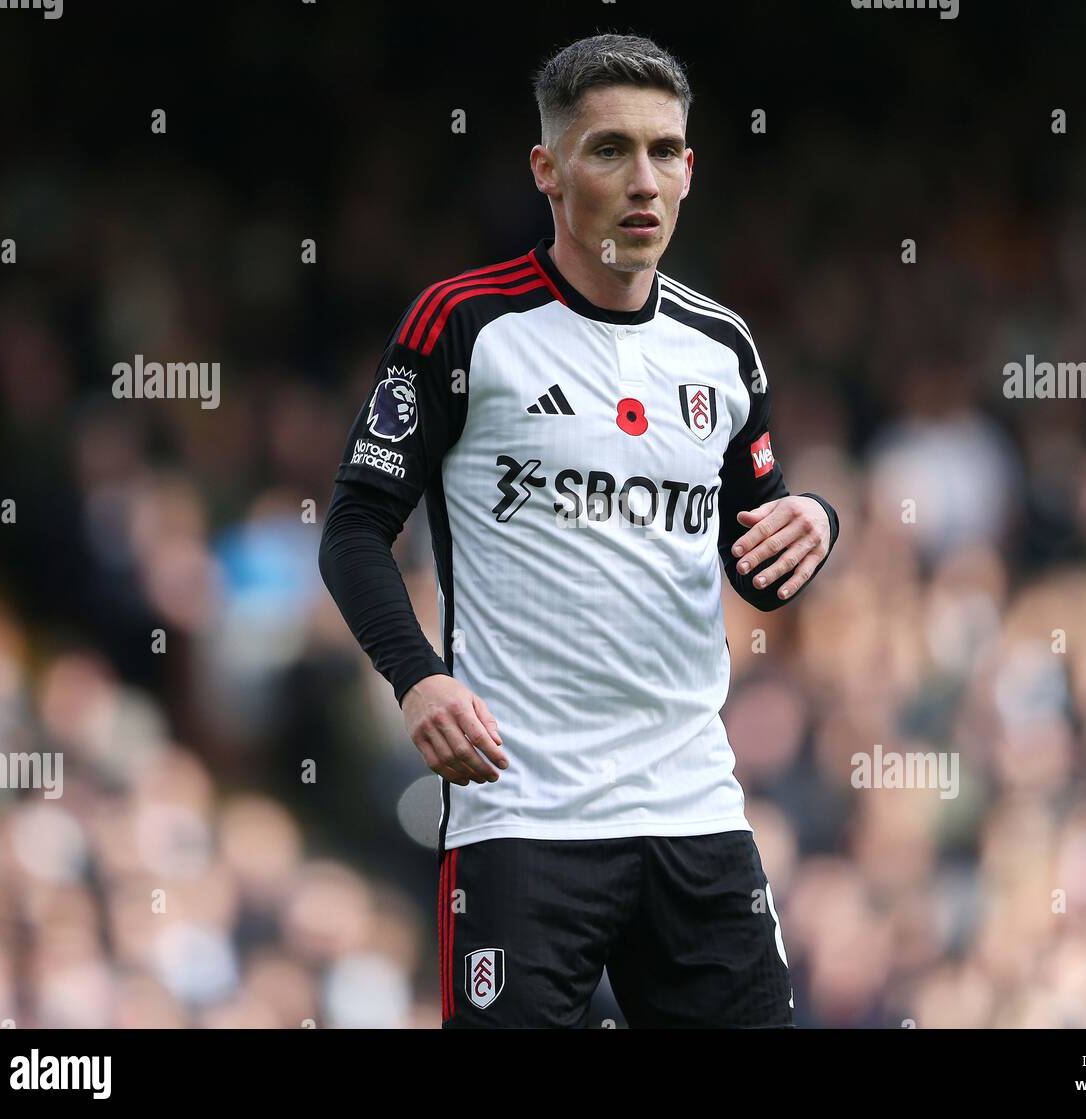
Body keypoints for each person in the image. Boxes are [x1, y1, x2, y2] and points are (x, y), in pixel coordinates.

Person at [319, 32, 839, 1028]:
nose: (644, 181)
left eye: (666, 151)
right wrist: (416, 675)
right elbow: (351, 529)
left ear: (691, 168)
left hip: (693, 807)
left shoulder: (722, 348)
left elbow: (759, 564)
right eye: (609, 150)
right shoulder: (464, 326)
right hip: (525, 815)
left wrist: (818, 518)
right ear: (548, 171)